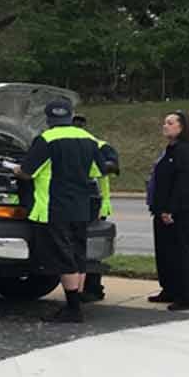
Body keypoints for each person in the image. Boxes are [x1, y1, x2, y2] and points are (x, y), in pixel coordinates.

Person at [16, 99, 106, 323]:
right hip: (81, 207)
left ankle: (73, 309)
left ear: (48, 119)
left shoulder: (46, 139)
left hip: (54, 207)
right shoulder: (88, 139)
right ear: (70, 116)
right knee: (77, 254)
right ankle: (76, 304)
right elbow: (98, 170)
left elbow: (27, 172)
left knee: (64, 258)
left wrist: (17, 169)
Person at [147, 111, 189, 310]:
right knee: (165, 249)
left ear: (182, 127)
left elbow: (183, 181)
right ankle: (170, 289)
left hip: (181, 207)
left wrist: (170, 209)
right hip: (163, 206)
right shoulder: (172, 148)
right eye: (164, 122)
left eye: (170, 123)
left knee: (179, 249)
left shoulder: (185, 149)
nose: (165, 126)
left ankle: (188, 297)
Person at [71, 114, 119, 302]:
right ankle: (82, 287)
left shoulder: (100, 145)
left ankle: (92, 288)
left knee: (89, 246)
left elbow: (113, 166)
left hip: (97, 204)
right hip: (77, 203)